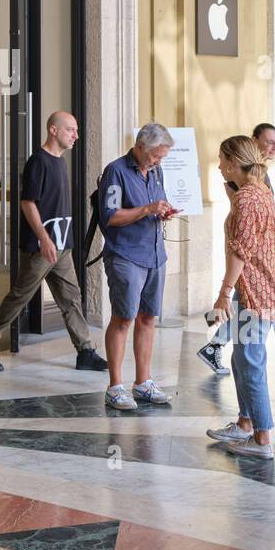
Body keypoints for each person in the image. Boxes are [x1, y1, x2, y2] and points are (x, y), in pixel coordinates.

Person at [0, 111, 106, 373]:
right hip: (41, 248)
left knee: (71, 298)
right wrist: (44, 239)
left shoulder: (61, 162)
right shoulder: (39, 162)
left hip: (62, 246)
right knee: (20, 296)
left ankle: (85, 351)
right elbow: (27, 203)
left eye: (77, 131)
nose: (76, 136)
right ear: (53, 130)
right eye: (71, 130)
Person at [197, 122, 275, 382]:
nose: (274, 147)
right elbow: (243, 240)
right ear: (254, 142)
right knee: (269, 314)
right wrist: (225, 290)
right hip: (259, 264)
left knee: (265, 309)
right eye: (269, 142)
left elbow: (270, 213)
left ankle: (217, 347)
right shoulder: (243, 188)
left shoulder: (258, 180)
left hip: (266, 261)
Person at [205, 135, 275, 460]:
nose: (218, 165)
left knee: (250, 364)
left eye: (221, 159)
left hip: (256, 291)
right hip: (262, 287)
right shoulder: (257, 192)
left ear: (232, 161)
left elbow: (240, 252)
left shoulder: (248, 199)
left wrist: (223, 294)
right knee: (241, 360)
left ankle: (262, 438)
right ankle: (245, 423)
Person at [101, 123, 179, 410]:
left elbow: (156, 203)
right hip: (126, 256)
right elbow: (109, 216)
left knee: (148, 318)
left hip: (155, 255)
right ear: (141, 147)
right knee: (123, 318)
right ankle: (115, 387)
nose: (159, 162)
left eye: (162, 157)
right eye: (156, 156)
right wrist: (147, 209)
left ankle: (143, 383)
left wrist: (164, 211)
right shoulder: (116, 171)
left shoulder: (157, 171)